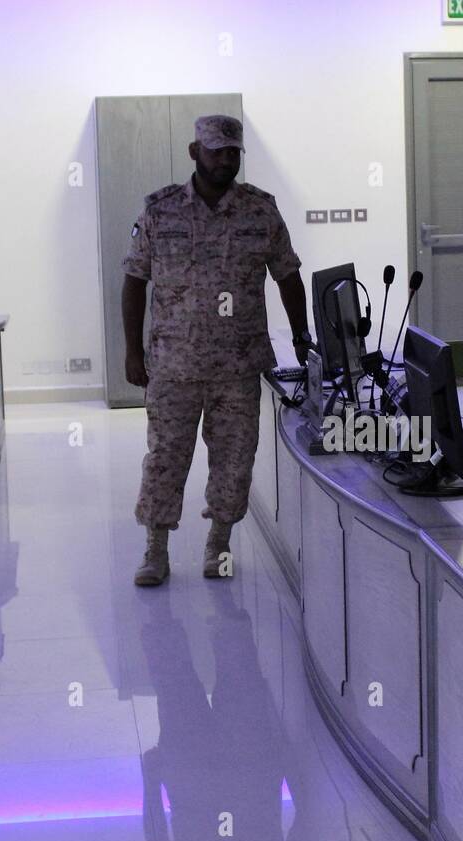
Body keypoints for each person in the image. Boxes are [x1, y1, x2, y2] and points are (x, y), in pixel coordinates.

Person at [121, 115, 311, 585]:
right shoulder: (160, 211)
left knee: (234, 458)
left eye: (233, 152)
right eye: (216, 150)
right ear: (194, 152)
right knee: (165, 457)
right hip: (174, 364)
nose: (225, 159)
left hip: (238, 365)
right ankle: (155, 550)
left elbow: (288, 276)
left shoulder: (260, 212)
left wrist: (303, 339)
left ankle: (219, 544)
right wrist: (131, 352)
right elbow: (134, 281)